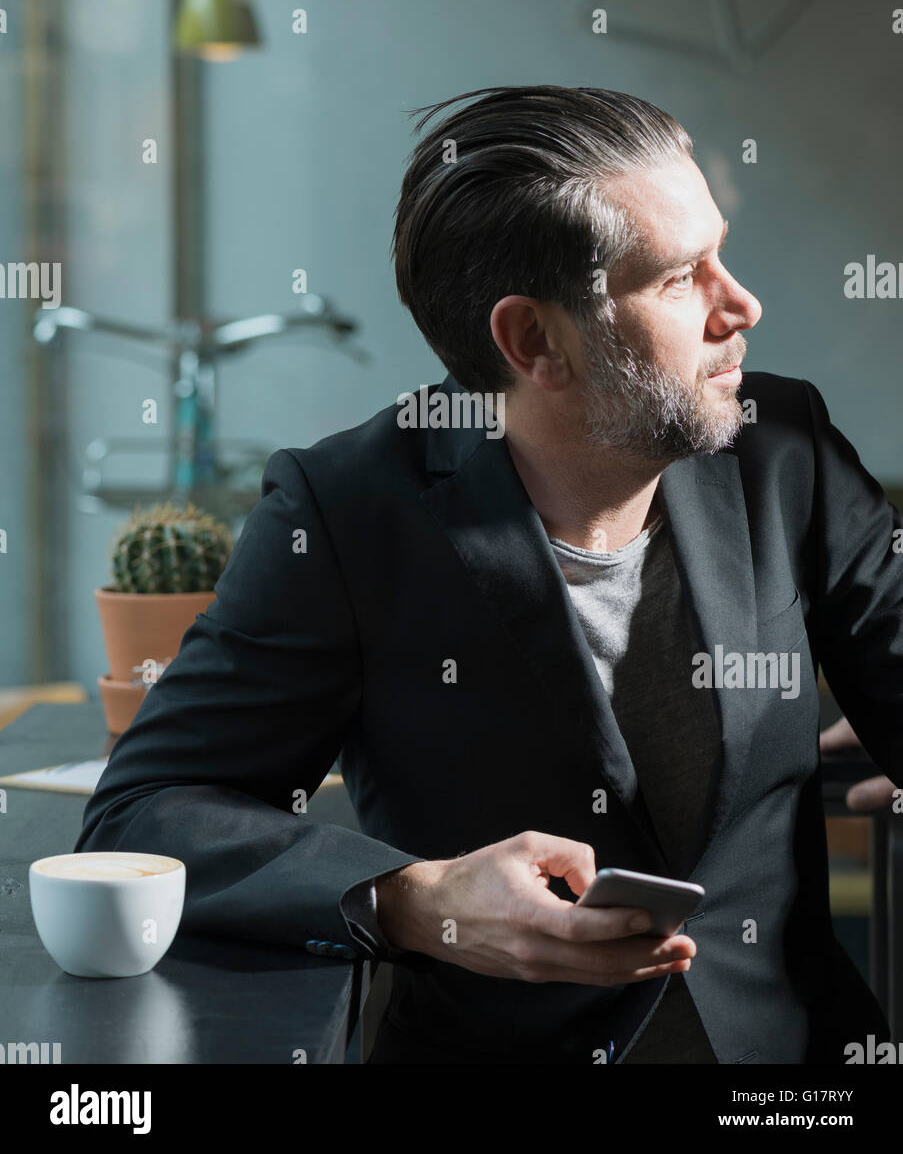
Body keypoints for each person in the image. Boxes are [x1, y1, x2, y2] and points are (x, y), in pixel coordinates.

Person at [76, 85, 900, 1064]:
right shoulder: (346, 512)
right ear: (534, 341)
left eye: (720, 252)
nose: (742, 304)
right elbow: (146, 811)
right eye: (681, 278)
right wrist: (419, 900)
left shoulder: (783, 447)